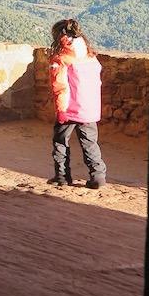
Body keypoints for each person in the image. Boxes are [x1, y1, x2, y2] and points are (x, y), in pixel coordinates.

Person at [48, 18, 107, 189]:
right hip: (89, 108)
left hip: (69, 109)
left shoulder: (61, 58)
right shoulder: (90, 55)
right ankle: (98, 177)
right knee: (90, 143)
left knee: (60, 141)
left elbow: (59, 86)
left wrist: (61, 110)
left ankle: (62, 176)